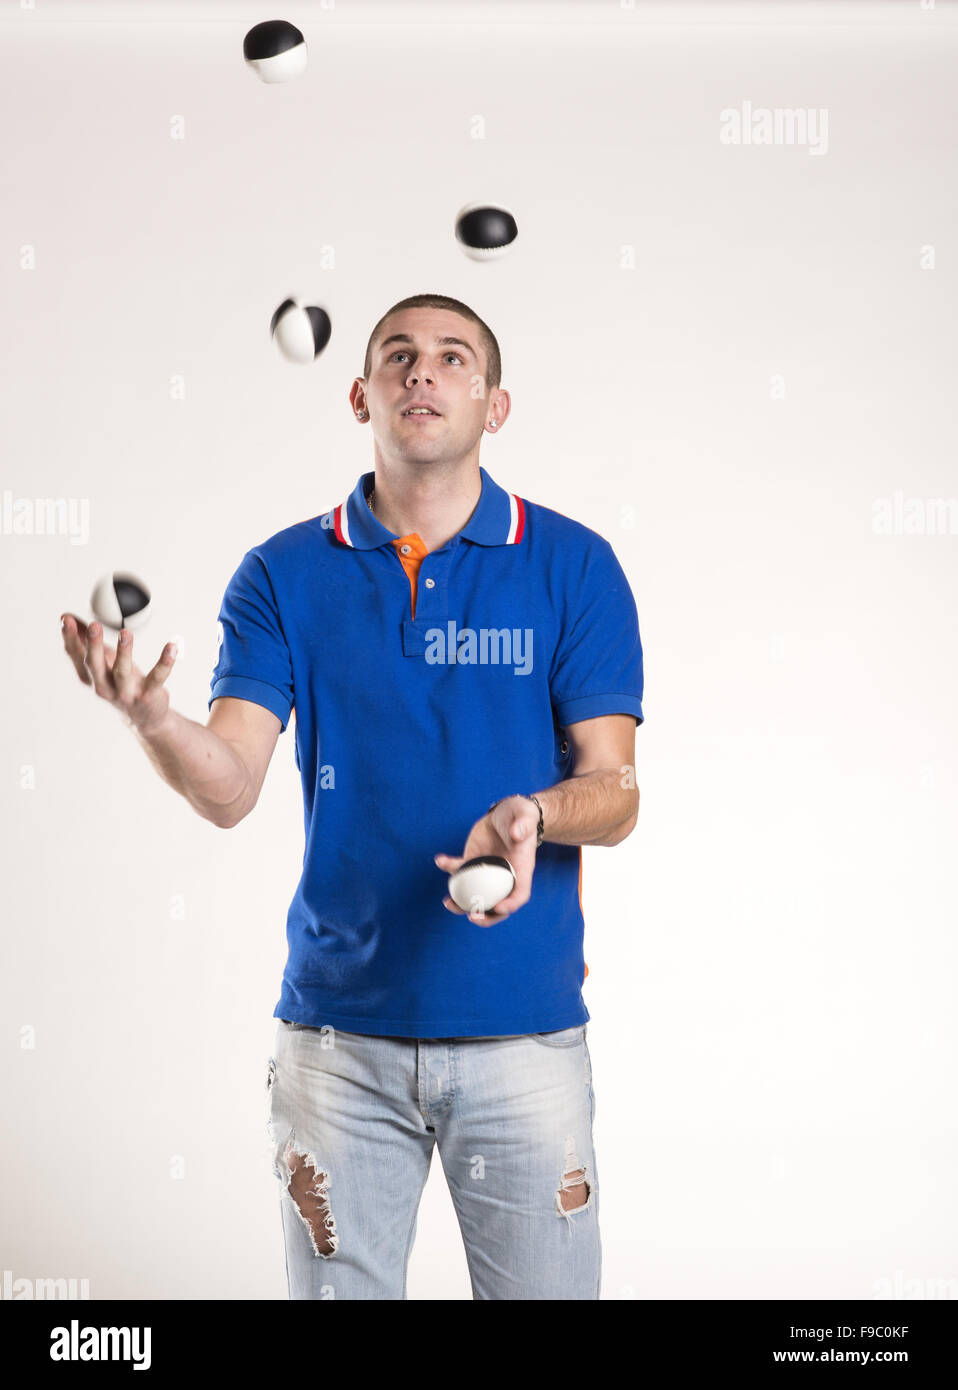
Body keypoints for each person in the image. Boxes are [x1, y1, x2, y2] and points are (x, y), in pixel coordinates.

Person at [60, 292, 644, 1300]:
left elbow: (618, 790)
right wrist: (152, 720)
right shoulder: (281, 574)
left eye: (452, 357)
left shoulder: (573, 566)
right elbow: (232, 783)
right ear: (358, 392)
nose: (423, 372)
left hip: (524, 1038)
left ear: (493, 405)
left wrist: (534, 815)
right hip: (336, 1050)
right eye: (399, 356)